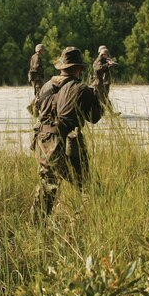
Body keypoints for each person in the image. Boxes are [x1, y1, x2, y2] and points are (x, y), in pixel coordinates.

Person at [32, 46, 104, 219]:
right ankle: (82, 222)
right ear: (79, 68)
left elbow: (36, 110)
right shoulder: (82, 88)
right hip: (64, 142)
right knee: (88, 186)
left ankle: (36, 226)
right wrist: (95, 96)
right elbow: (94, 117)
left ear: (62, 67)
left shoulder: (47, 85)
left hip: (41, 141)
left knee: (48, 186)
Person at [91, 45, 120, 115]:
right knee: (103, 99)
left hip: (103, 83)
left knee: (103, 98)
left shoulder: (105, 60)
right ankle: (107, 113)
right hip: (97, 83)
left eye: (106, 54)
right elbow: (98, 68)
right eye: (104, 54)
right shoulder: (98, 61)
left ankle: (103, 112)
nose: (106, 56)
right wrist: (107, 64)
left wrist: (111, 64)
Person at [27, 44, 47, 115]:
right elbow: (36, 67)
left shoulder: (34, 56)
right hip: (37, 78)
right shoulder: (37, 57)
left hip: (35, 78)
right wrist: (41, 71)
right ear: (40, 50)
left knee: (38, 94)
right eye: (43, 50)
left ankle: (31, 107)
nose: (44, 51)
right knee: (39, 94)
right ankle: (35, 112)